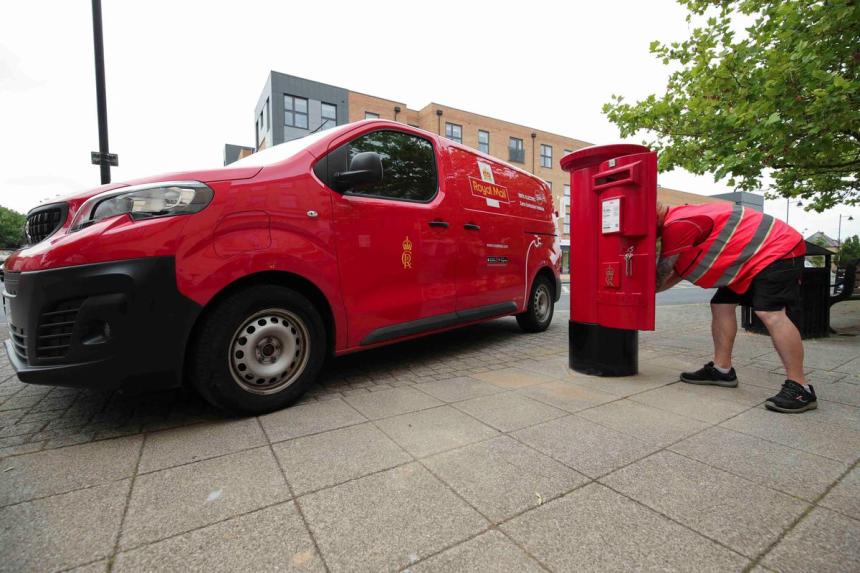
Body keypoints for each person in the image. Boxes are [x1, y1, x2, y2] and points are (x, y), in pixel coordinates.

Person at [655, 201, 817, 413]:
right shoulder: (681, 217)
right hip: (748, 260)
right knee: (721, 305)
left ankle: (800, 388)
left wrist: (639, 292)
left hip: (778, 249)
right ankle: (723, 370)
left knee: (770, 312)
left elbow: (663, 273)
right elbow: (678, 272)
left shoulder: (678, 224)